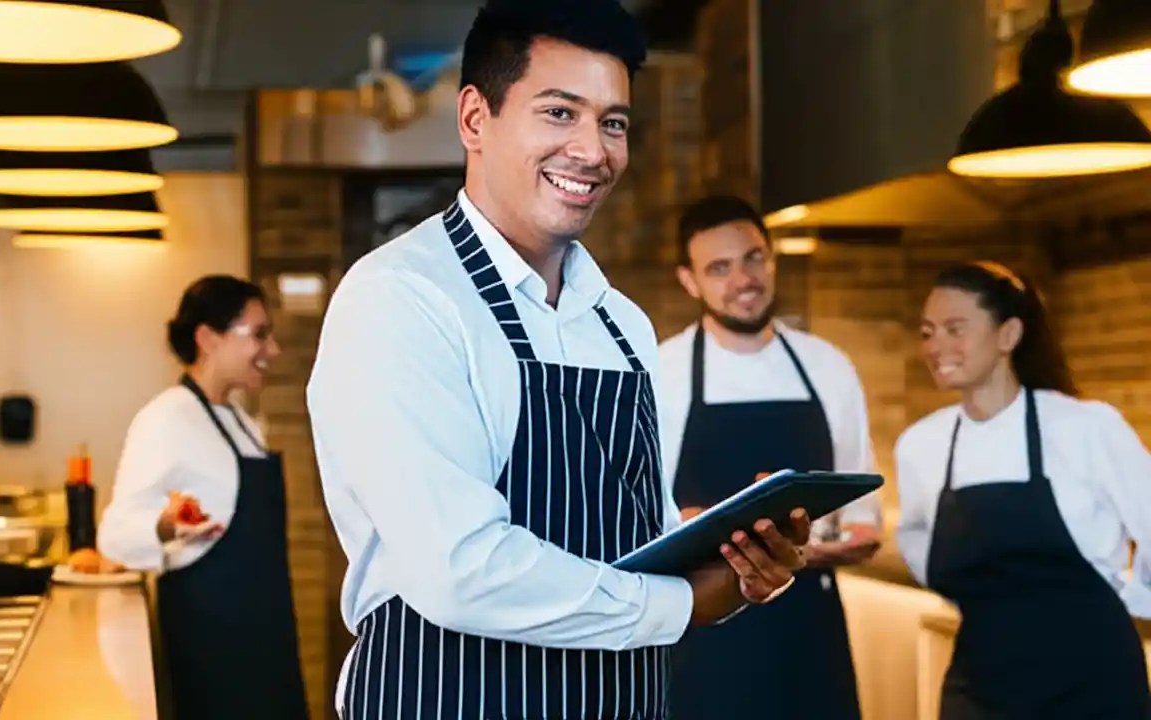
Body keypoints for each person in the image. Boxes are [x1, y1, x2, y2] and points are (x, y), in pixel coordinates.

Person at [307, 1, 812, 718]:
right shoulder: (402, 298)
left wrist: (732, 560)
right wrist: (680, 604)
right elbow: (462, 571)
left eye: (613, 123)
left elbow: (636, 535)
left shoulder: (622, 325)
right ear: (475, 119)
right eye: (559, 113)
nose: (593, 150)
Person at [657, 194, 882, 720]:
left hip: (810, 634)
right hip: (705, 635)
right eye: (719, 268)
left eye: (753, 258)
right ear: (689, 281)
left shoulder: (828, 366)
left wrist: (798, 548)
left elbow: (863, 522)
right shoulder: (659, 372)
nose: (743, 280)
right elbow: (647, 524)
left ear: (773, 257)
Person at [895, 261, 1151, 719]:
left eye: (955, 329)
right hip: (981, 680)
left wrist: (1130, 601)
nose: (936, 347)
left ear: (1009, 335)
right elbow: (917, 539)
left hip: (1091, 678)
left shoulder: (1086, 427)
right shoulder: (921, 446)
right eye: (928, 332)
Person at [96, 275, 308, 720]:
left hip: (264, 638)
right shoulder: (167, 417)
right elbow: (115, 533)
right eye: (260, 335)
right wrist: (164, 524)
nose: (273, 351)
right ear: (208, 338)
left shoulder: (241, 421)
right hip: (212, 645)